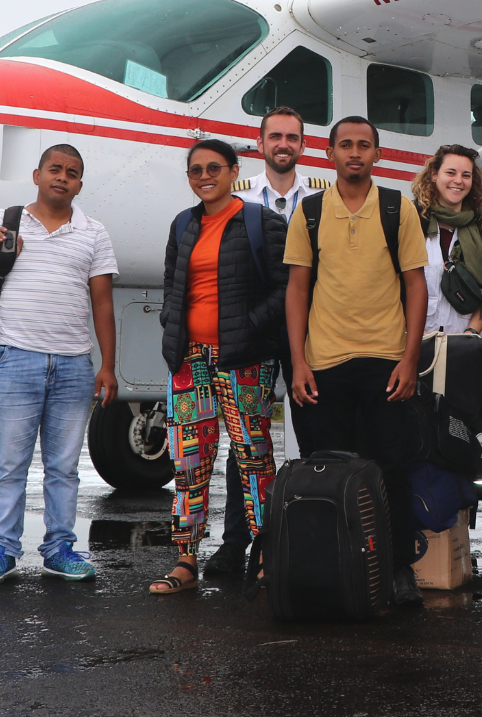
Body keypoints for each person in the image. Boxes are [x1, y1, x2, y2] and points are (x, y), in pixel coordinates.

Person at [283, 116, 431, 604]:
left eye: (364, 145)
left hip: (385, 360)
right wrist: (298, 362)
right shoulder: (308, 211)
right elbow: (298, 288)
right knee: (327, 469)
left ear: (377, 154)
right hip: (323, 364)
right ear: (328, 154)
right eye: (344, 145)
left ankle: (399, 568)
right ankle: (334, 564)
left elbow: (415, 285)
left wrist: (409, 360)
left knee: (393, 468)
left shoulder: (397, 207)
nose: (354, 152)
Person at [0, 144, 117, 584]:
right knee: (10, 465)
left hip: (73, 365)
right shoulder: (6, 222)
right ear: (36, 175)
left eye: (72, 172)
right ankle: (1, 550)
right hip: (15, 359)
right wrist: (1, 259)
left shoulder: (94, 232)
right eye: (55, 169)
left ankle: (59, 549)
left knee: (64, 468)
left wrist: (107, 365)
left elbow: (103, 303)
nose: (62, 177)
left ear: (80, 184)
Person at [148, 139, 290, 594]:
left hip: (244, 359)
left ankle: (268, 551)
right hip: (190, 359)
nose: (204, 176)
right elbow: (172, 282)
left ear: (234, 171)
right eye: (195, 171)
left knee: (253, 456)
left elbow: (285, 287)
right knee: (189, 460)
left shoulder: (260, 221)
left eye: (213, 168)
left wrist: (249, 327)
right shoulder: (182, 223)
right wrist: (174, 322)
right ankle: (186, 559)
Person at [210, 106, 326, 577]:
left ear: (302, 145)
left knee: (316, 438)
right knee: (246, 441)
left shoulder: (324, 196)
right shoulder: (235, 196)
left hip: (311, 329)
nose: (284, 144)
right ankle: (236, 541)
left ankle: (313, 538)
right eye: (275, 136)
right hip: (256, 331)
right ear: (260, 144)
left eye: (292, 137)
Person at [412, 144, 482, 337]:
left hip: (463, 343)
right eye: (451, 173)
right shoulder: (412, 221)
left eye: (466, 175)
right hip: (417, 341)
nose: (458, 181)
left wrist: (471, 333)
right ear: (435, 175)